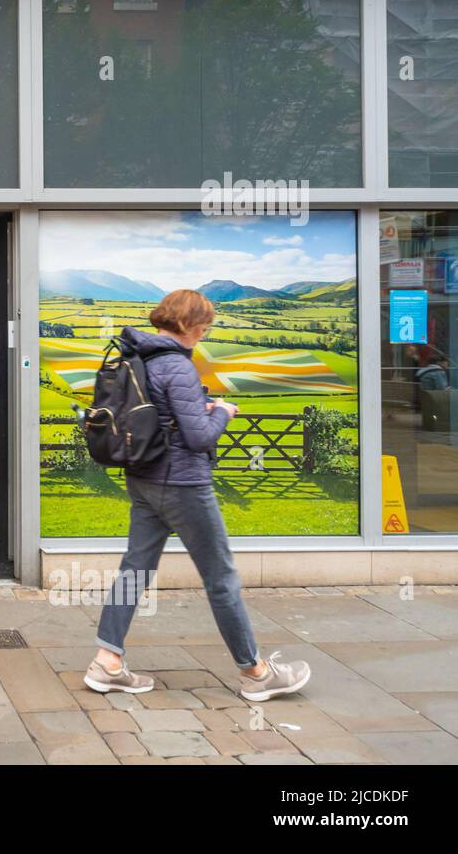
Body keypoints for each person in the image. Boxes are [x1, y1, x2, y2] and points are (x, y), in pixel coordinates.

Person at [85, 290, 312, 703]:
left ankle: (107, 662)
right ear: (189, 325)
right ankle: (256, 673)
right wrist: (222, 412)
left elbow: (161, 417)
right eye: (204, 326)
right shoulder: (178, 365)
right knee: (221, 579)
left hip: (143, 480)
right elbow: (198, 436)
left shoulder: (140, 356)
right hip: (185, 485)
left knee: (134, 570)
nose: (205, 333)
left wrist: (198, 408)